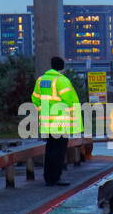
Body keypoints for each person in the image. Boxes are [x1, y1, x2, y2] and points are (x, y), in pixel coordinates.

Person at [30, 56, 81, 186]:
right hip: (60, 122)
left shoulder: (41, 80)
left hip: (47, 122)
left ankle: (48, 177)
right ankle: (56, 177)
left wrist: (43, 110)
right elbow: (70, 101)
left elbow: (35, 99)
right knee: (59, 151)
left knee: (50, 149)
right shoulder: (62, 81)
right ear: (62, 68)